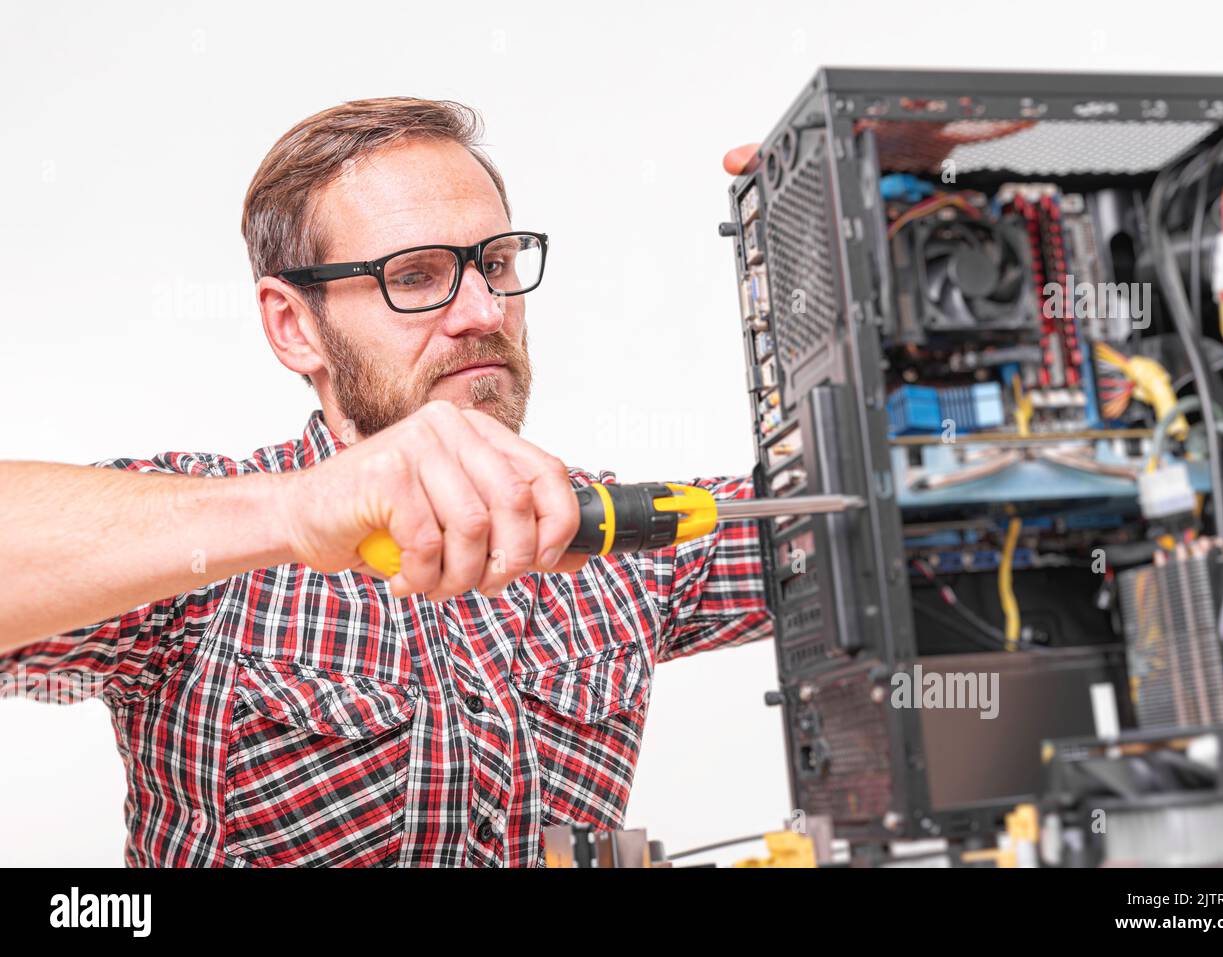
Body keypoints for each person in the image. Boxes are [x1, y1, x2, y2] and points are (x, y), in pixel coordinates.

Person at [0, 98, 772, 867]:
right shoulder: (203, 550)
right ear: (293, 326)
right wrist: (295, 511)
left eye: (496, 263)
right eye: (414, 275)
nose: (484, 310)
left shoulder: (605, 530)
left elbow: (875, 529)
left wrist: (861, 256)